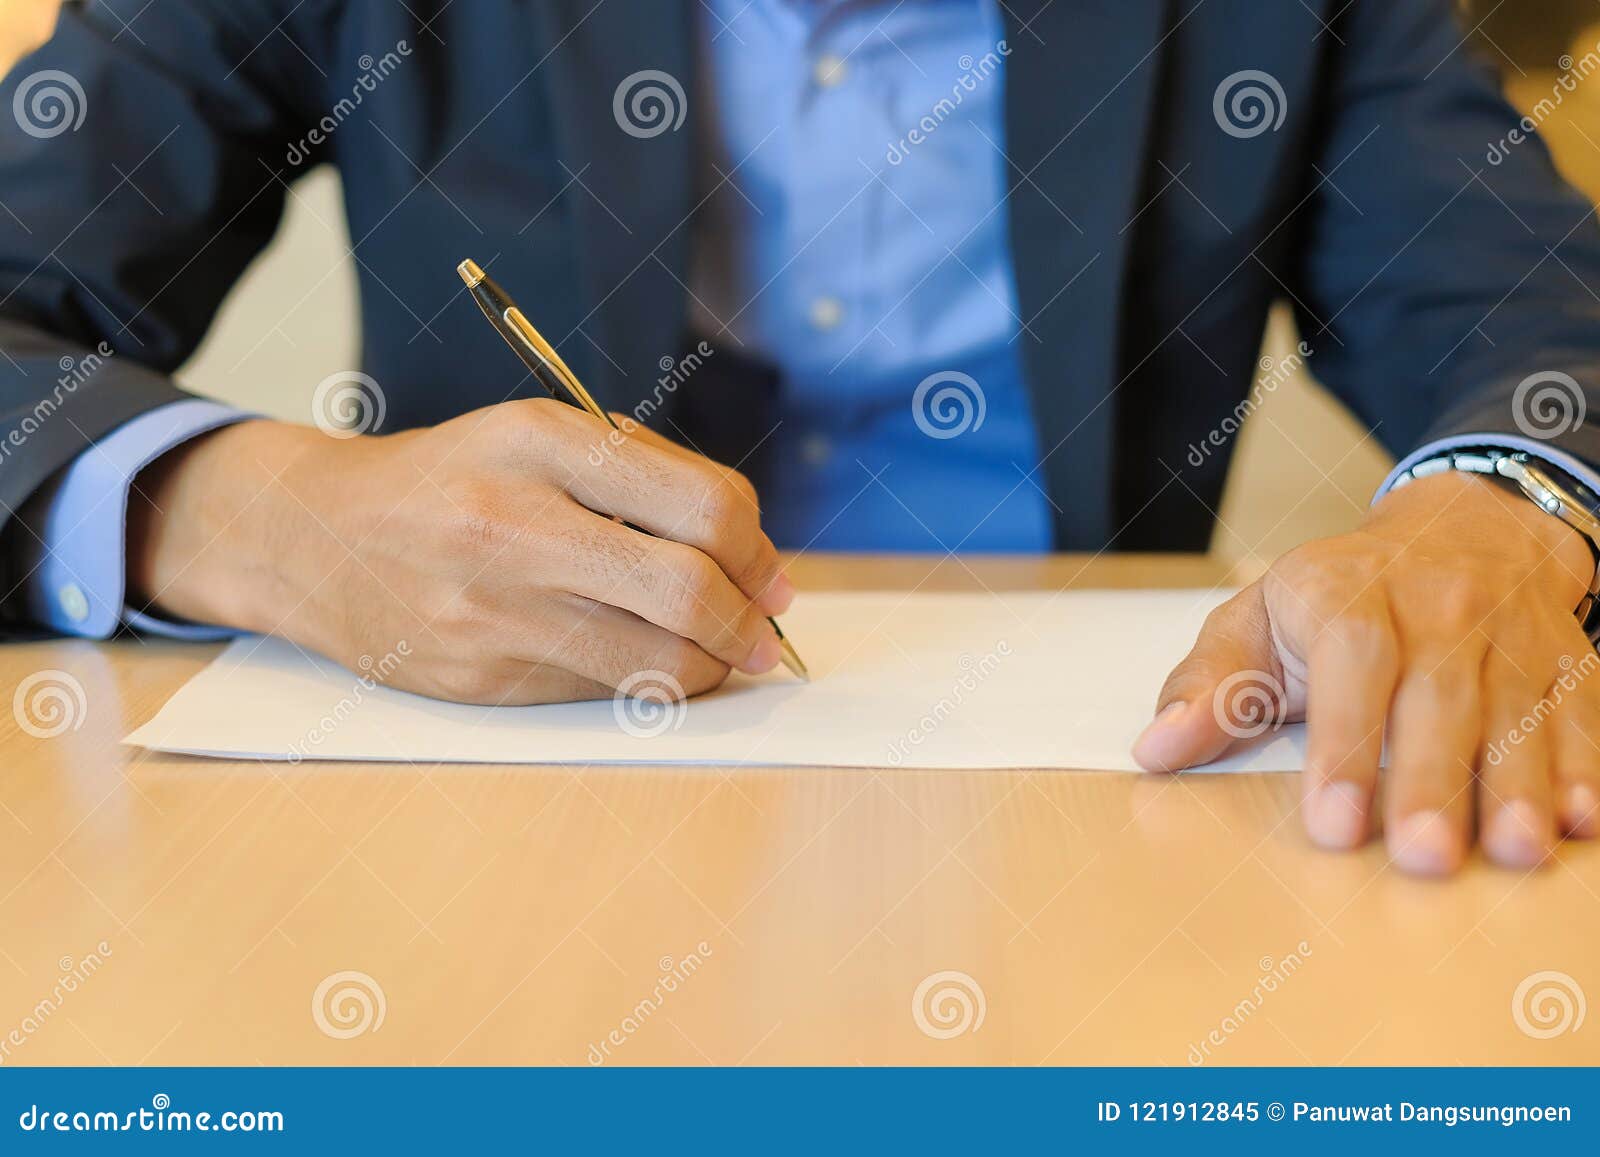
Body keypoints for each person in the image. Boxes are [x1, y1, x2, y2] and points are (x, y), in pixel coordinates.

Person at [2, 1, 1599, 877]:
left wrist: (1501, 504)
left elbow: (1538, 324)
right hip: (487, 867)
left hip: (1120, 853)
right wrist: (257, 517)